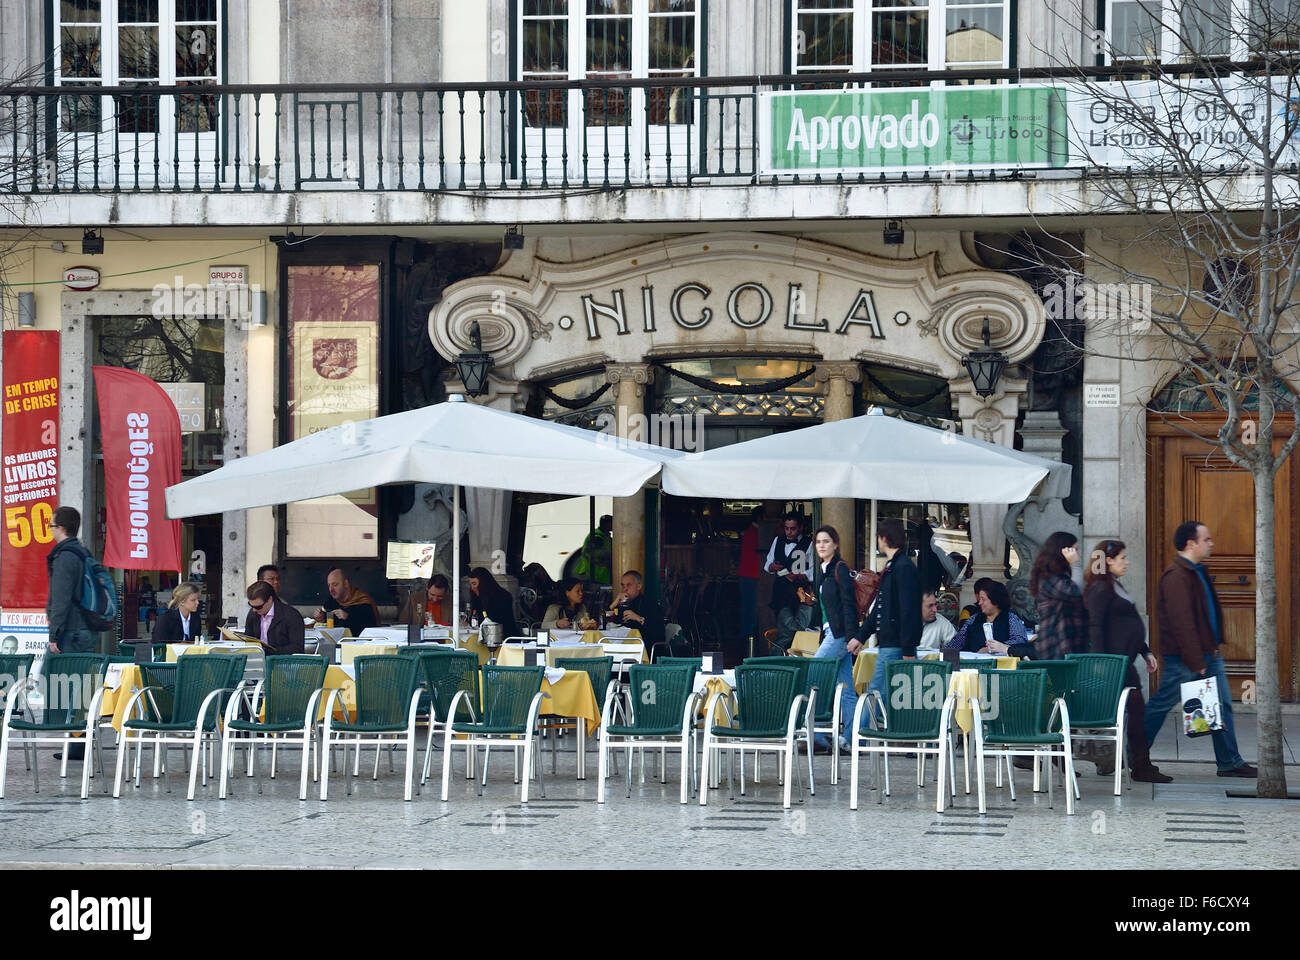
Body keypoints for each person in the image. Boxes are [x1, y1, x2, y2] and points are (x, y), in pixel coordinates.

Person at [1145, 521, 1256, 778]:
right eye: (1206, 539)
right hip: (1188, 657)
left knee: (1222, 706)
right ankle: (1132, 754)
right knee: (1162, 703)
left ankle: (1229, 761)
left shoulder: (1196, 571)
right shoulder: (1176, 576)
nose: (1211, 543)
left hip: (1209, 653)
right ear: (1190, 543)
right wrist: (1196, 660)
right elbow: (1181, 622)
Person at [1084, 539, 1171, 783]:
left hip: (1124, 663)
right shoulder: (1100, 589)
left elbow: (1126, 623)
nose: (1127, 562)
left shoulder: (1113, 585)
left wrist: (1145, 650)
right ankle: (1140, 766)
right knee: (1135, 715)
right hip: (1115, 666)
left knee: (1136, 715)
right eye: (1122, 557)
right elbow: (1094, 626)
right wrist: (1103, 664)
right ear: (1108, 560)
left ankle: (1140, 765)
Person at [850, 518, 922, 716]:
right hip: (894, 642)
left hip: (895, 644)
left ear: (883, 538)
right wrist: (861, 636)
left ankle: (854, 737)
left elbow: (909, 611)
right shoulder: (896, 566)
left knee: (877, 693)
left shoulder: (902, 567)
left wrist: (908, 647)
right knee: (894, 697)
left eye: (878, 538)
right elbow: (881, 610)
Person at [810, 525, 860, 753]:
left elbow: (849, 606)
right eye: (819, 541)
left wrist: (852, 637)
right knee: (847, 689)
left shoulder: (840, 569)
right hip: (832, 633)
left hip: (839, 635)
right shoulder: (824, 570)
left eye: (826, 541)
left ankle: (818, 733)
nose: (822, 545)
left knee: (814, 674)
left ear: (836, 544)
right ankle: (850, 738)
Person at [44, 505, 97, 655]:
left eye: (51, 525)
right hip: (88, 630)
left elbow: (61, 599)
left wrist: (54, 635)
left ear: (61, 528)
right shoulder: (84, 553)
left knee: (53, 676)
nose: (50, 529)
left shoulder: (64, 557)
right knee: (83, 677)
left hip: (71, 633)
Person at [1029, 531, 1088, 659]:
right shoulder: (1048, 578)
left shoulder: (1060, 576)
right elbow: (1076, 591)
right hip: (1056, 645)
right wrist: (1076, 564)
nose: (1077, 554)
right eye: (1075, 550)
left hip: (1069, 643)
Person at [765, 512, 813, 649]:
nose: (789, 532)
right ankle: (779, 657)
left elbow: (814, 570)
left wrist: (802, 575)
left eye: (793, 528)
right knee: (786, 629)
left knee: (797, 630)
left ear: (800, 528)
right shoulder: (778, 540)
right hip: (781, 593)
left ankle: (781, 656)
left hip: (801, 594)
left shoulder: (809, 544)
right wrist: (772, 566)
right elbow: (768, 564)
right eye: (787, 528)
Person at [946, 579, 1030, 655]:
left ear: (995, 600)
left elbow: (1020, 641)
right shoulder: (973, 620)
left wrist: (995, 648)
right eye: (980, 599)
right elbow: (956, 643)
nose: (979, 603)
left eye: (983, 599)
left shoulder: (1011, 619)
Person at [244, 580, 306, 655]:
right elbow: (248, 639)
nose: (254, 610)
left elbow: (297, 648)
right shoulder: (253, 614)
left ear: (270, 599)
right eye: (251, 605)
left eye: (258, 607)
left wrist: (267, 651)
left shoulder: (291, 616)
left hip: (283, 661)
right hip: (258, 658)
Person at [610, 570, 664, 652]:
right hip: (623, 646)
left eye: (629, 585)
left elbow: (658, 632)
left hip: (646, 648)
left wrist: (638, 618)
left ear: (639, 586)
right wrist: (614, 604)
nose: (625, 589)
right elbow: (607, 622)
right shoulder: (622, 605)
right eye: (623, 585)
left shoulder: (650, 604)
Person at [314, 568, 381, 635]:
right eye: (329, 585)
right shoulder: (332, 601)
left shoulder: (363, 601)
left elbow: (370, 627)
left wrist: (347, 617)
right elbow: (330, 621)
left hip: (359, 643)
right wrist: (322, 617)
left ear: (346, 583)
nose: (331, 589)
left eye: (335, 585)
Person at [737, 506, 763, 645]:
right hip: (750, 576)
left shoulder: (751, 532)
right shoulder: (755, 533)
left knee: (748, 607)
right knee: (750, 608)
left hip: (747, 575)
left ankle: (747, 636)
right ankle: (748, 637)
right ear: (759, 518)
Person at [468, 566, 520, 637]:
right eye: (470, 584)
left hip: (502, 637)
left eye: (474, 584)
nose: (472, 588)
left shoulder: (502, 597)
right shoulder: (477, 598)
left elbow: (496, 621)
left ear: (483, 583)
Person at [575, 515, 613, 586]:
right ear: (607, 524)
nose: (614, 525)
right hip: (596, 574)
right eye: (612, 523)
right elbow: (600, 555)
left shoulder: (603, 535)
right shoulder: (598, 537)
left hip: (598, 573)